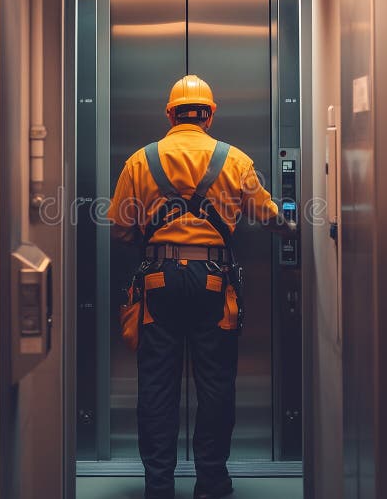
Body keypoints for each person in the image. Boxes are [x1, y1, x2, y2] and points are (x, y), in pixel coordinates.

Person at [108, 74, 296, 499]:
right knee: (216, 384)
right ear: (210, 115)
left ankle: (159, 485)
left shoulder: (140, 161)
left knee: (156, 385)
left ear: (169, 114)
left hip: (158, 282)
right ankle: (211, 481)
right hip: (214, 282)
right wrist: (293, 227)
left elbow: (119, 230)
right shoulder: (235, 161)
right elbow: (270, 218)